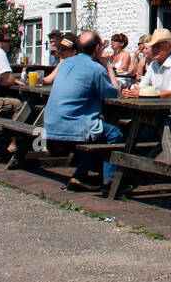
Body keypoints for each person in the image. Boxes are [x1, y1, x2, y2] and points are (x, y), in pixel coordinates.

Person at [44, 31, 122, 192]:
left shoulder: (66, 63)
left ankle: (80, 175)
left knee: (97, 132)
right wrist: (108, 66)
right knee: (113, 133)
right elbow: (113, 93)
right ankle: (110, 183)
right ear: (98, 48)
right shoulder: (95, 69)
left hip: (50, 126)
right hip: (72, 128)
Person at [122, 28, 171, 99]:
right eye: (153, 46)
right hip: (160, 107)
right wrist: (129, 91)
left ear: (169, 47)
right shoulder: (154, 64)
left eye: (159, 46)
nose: (155, 49)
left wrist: (142, 94)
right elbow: (142, 85)